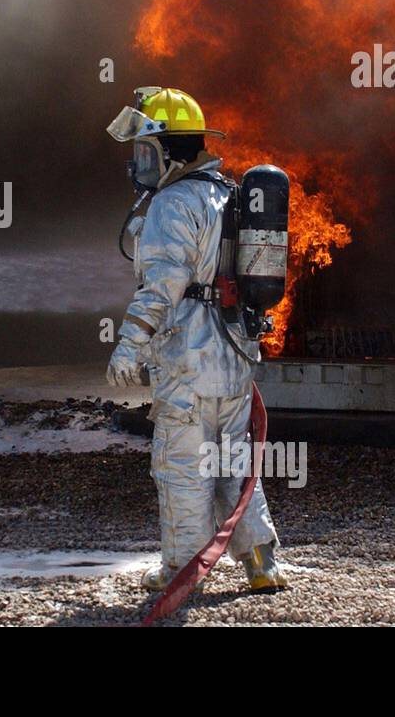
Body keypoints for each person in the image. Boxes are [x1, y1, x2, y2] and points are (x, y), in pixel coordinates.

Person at [104, 87, 286, 594]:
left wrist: (129, 343)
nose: (138, 165)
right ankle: (261, 564)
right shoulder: (226, 193)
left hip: (187, 363)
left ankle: (183, 576)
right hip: (232, 358)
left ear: (171, 150)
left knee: (182, 469)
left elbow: (162, 285)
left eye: (145, 152)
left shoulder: (170, 204)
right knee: (232, 466)